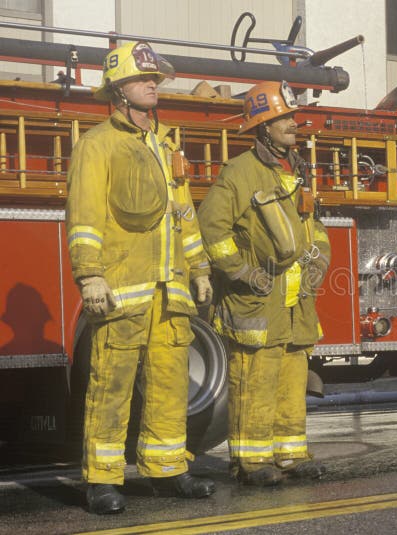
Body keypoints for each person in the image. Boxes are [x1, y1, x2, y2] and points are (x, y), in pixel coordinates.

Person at [65, 41, 216, 515]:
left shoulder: (166, 144)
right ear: (118, 90)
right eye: (141, 78)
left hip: (168, 294)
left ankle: (168, 468)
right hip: (123, 292)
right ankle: (102, 479)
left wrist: (200, 267)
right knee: (110, 385)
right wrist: (89, 276)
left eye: (154, 78)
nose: (153, 83)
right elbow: (84, 217)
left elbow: (184, 213)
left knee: (169, 383)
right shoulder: (97, 145)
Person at [198, 80, 330, 487]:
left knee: (292, 377)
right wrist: (241, 272)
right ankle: (252, 463)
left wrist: (320, 258)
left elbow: (315, 227)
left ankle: (289, 454)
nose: (293, 124)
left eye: (292, 116)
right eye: (283, 118)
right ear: (263, 127)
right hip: (257, 301)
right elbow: (210, 229)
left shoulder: (296, 170)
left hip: (295, 304)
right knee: (255, 380)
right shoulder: (240, 173)